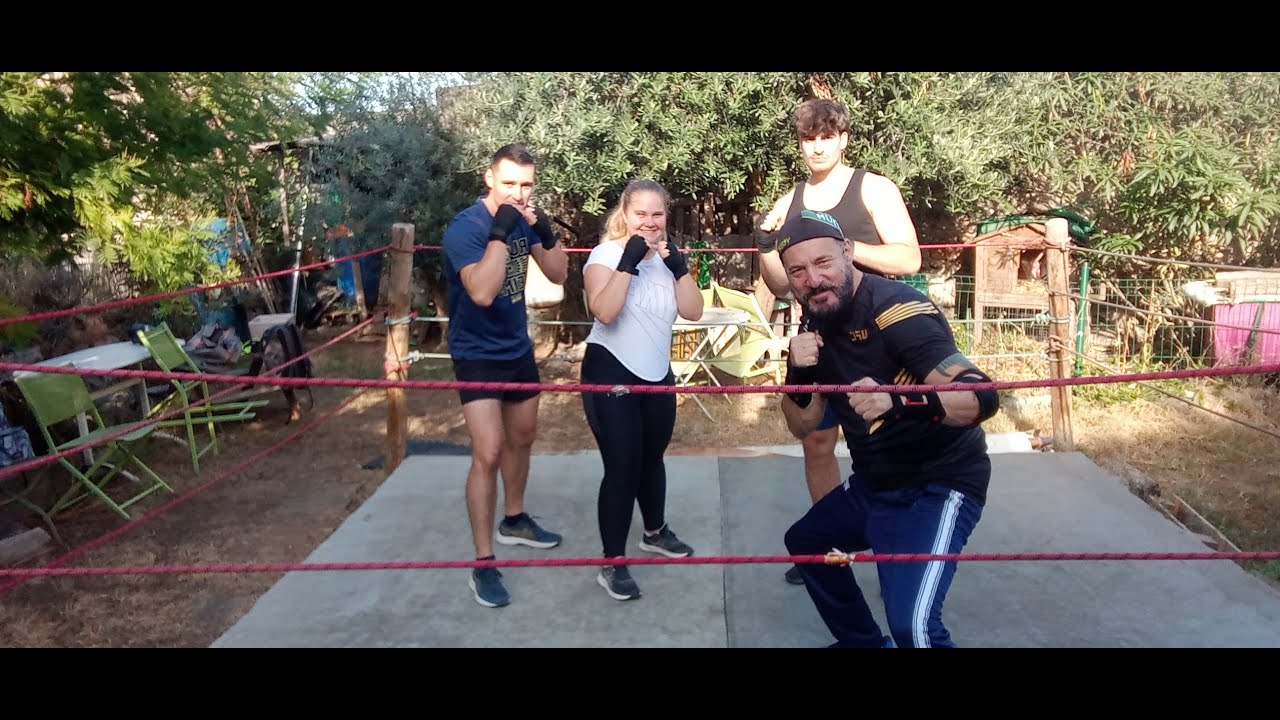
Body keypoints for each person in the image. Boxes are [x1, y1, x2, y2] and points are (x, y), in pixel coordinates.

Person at [774, 209, 999, 648]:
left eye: (823, 263)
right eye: (798, 272)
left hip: (938, 485)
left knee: (914, 629)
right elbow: (802, 426)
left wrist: (900, 400)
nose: (813, 280)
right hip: (875, 485)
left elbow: (981, 396)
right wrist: (798, 375)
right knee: (807, 544)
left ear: (848, 252)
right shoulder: (814, 319)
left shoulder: (897, 311)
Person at [755, 98, 924, 585]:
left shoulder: (873, 188)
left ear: (843, 138)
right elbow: (782, 284)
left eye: (826, 136)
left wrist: (837, 246)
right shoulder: (791, 200)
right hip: (821, 338)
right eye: (808, 138)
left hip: (879, 335)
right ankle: (830, 545)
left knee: (890, 440)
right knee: (816, 438)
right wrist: (767, 248)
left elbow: (909, 258)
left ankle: (903, 548)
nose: (817, 146)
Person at [441, 143, 570, 609]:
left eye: (526, 185)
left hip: (516, 347)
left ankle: (514, 518)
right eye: (510, 183)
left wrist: (543, 229)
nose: (518, 192)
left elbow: (558, 274)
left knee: (524, 435)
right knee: (489, 451)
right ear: (489, 179)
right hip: (475, 353)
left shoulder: (523, 218)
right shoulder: (466, 228)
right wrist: (501, 232)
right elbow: (480, 291)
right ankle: (483, 561)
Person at [580, 179, 704, 601]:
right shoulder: (606, 254)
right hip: (610, 368)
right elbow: (605, 311)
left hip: (657, 373)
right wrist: (629, 261)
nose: (650, 223)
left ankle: (655, 531)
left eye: (657, 214)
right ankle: (612, 562)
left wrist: (680, 268)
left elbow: (693, 310)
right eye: (641, 214)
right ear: (625, 213)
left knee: (652, 458)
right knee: (622, 467)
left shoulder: (664, 260)